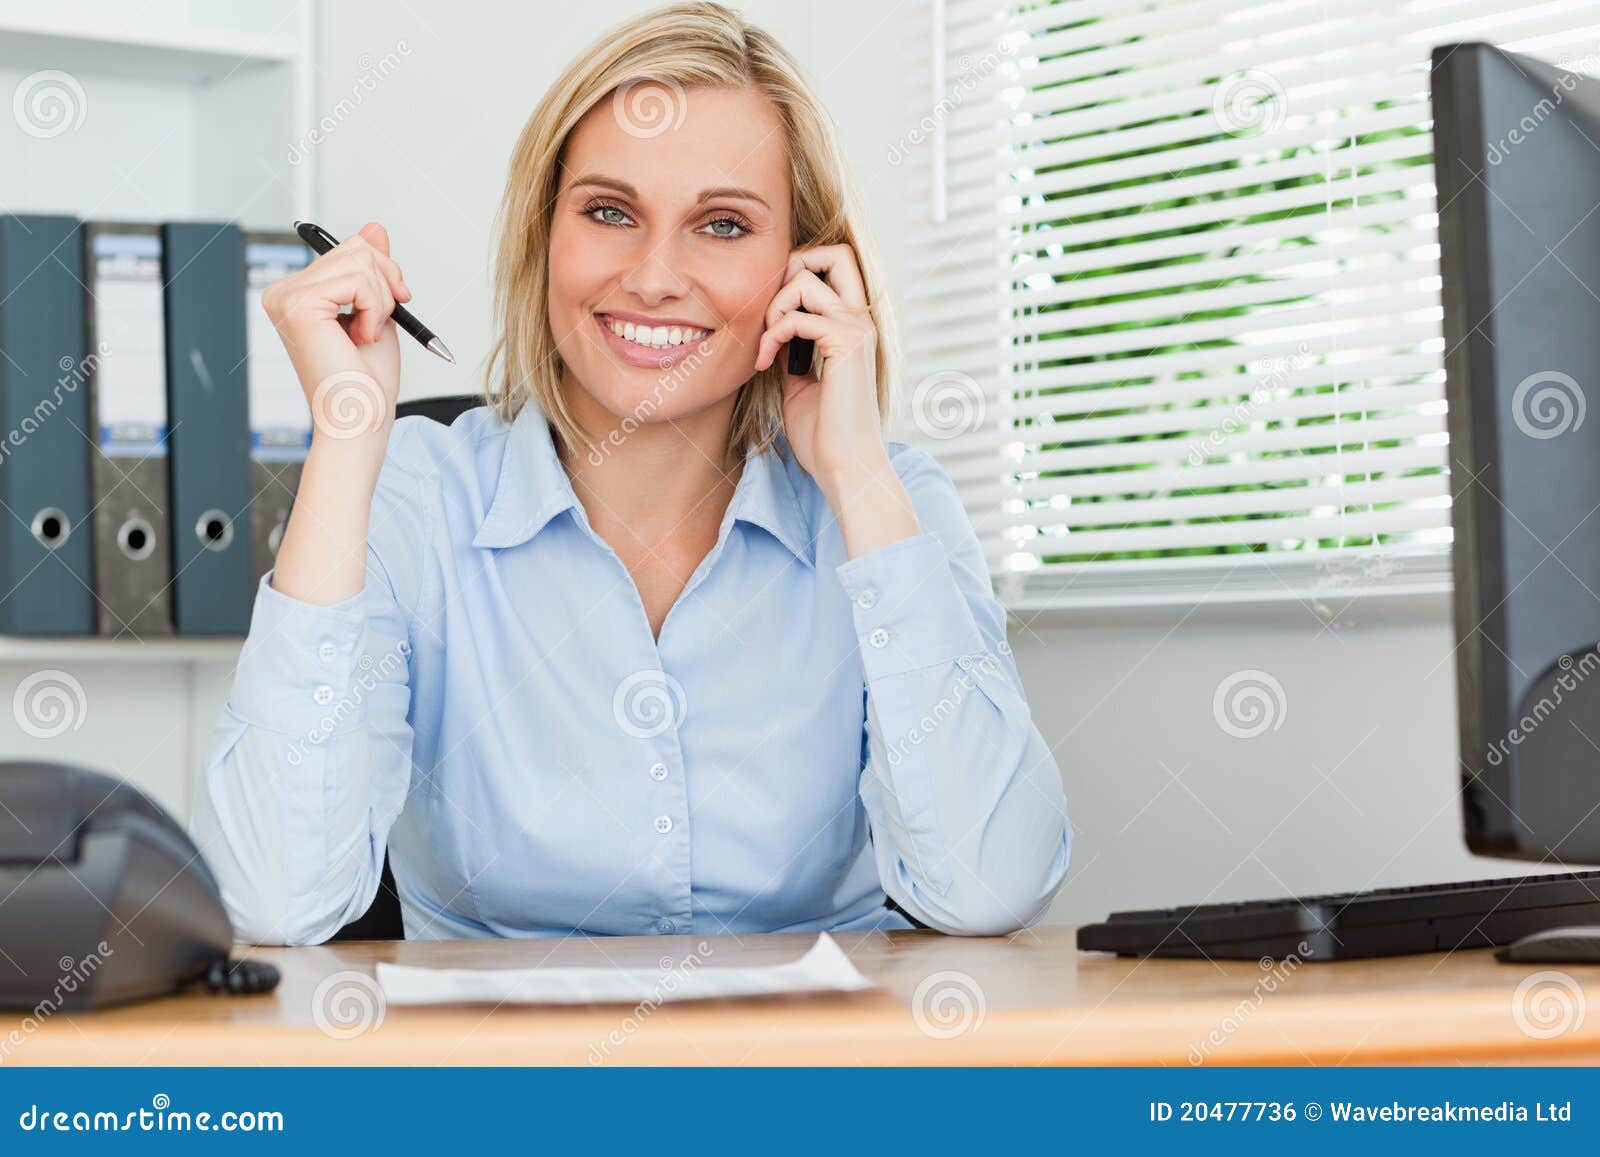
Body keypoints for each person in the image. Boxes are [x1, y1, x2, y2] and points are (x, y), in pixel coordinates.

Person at [190, 1, 1070, 944]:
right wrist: (346, 436)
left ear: (805, 270)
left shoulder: (892, 499)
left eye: (723, 224)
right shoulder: (411, 489)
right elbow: (275, 899)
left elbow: (991, 886)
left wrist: (856, 469)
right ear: (545, 236)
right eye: (610, 212)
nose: (654, 276)